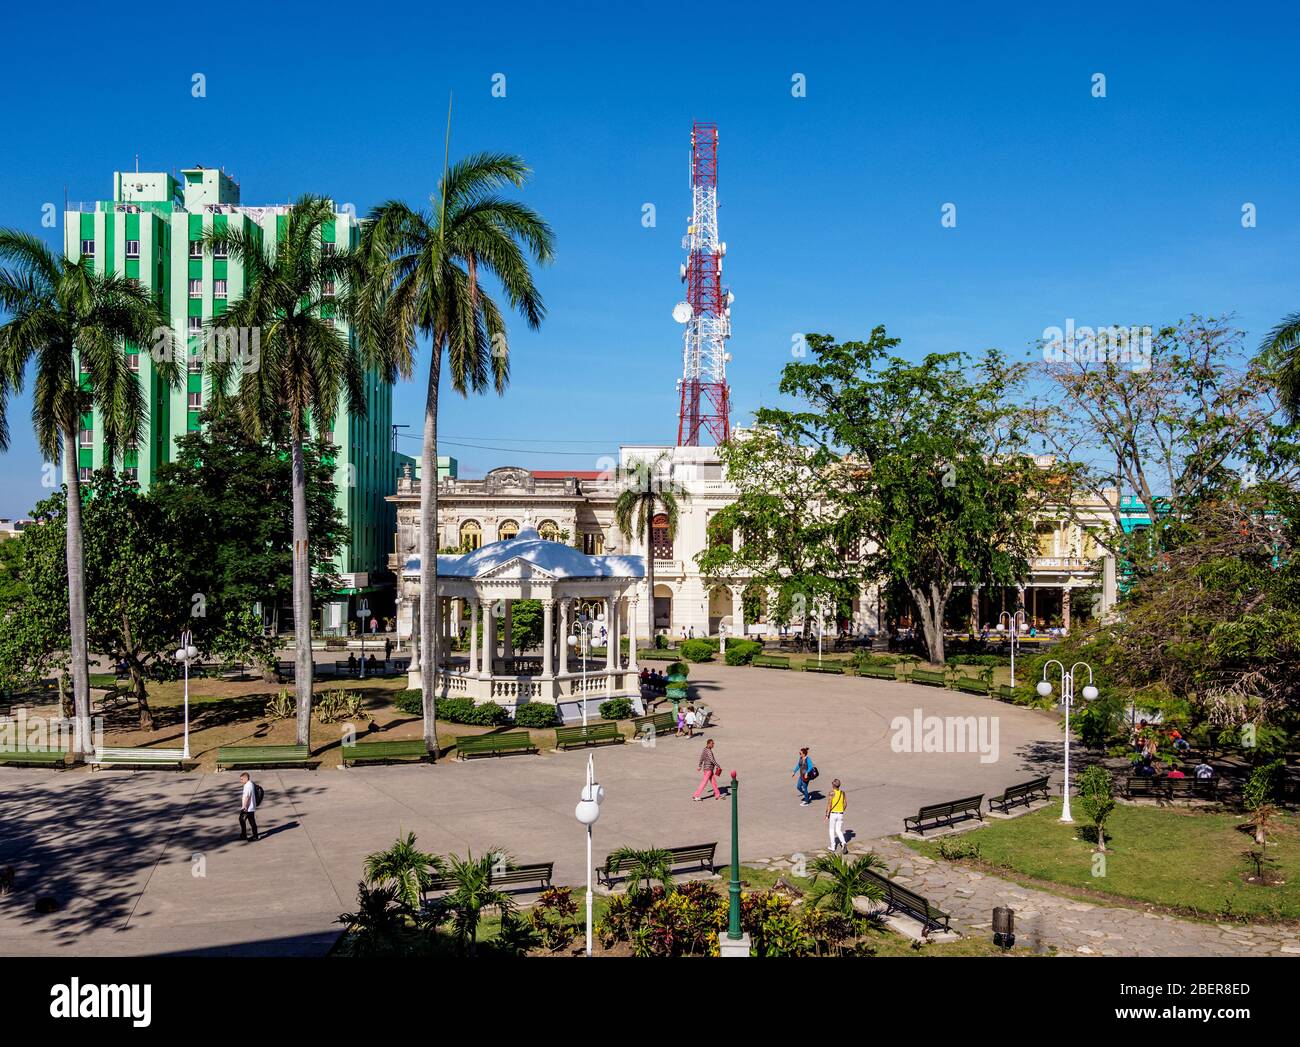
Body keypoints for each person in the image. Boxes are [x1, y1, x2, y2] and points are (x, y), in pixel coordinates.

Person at [826, 778, 848, 852]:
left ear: (833, 785)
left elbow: (829, 804)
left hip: (833, 814)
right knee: (838, 830)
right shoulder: (842, 793)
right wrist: (841, 811)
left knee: (831, 829)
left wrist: (827, 814)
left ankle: (833, 846)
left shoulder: (831, 793)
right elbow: (845, 804)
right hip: (840, 814)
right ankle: (844, 842)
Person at [238, 772, 260, 841]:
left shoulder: (247, 786)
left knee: (243, 820)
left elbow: (247, 796)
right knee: (250, 821)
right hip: (251, 807)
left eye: (241, 779)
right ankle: (252, 835)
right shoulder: (251, 783)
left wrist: (244, 806)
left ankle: (247, 835)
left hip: (247, 807)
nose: (240, 781)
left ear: (246, 778)